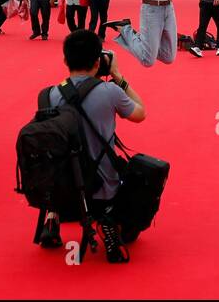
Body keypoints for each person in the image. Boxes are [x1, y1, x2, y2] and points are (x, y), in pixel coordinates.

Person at [38, 30, 147, 260]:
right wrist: (117, 75)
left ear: (66, 60)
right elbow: (140, 113)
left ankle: (52, 215)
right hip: (101, 185)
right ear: (98, 62)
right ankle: (108, 221)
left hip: (62, 186)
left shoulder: (48, 95)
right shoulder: (109, 91)